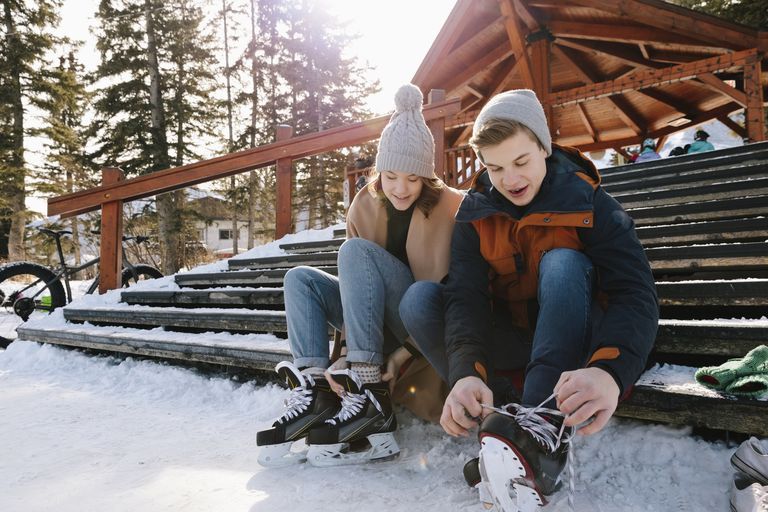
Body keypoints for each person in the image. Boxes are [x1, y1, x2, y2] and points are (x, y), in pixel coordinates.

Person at [409, 89, 658, 510]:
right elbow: (465, 298)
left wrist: (610, 371)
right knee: (420, 300)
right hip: (518, 343)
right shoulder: (475, 214)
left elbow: (635, 292)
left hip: (580, 343)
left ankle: (540, 429)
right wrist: (466, 372)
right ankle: (504, 419)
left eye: (521, 162)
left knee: (562, 262)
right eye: (495, 168)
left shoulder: (591, 202)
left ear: (544, 148)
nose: (509, 179)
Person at [256, 83, 464, 467]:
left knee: (353, 251)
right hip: (372, 320)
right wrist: (344, 356)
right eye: (392, 176)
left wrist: (400, 356)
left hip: (420, 320)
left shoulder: (454, 208)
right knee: (299, 279)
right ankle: (317, 391)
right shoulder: (364, 204)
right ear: (380, 170)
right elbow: (357, 289)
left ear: (427, 178)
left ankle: (368, 389)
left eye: (413, 178)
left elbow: (455, 297)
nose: (401, 188)